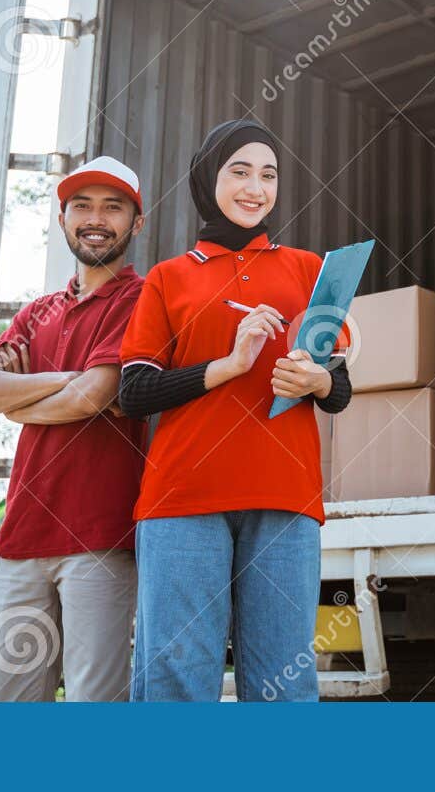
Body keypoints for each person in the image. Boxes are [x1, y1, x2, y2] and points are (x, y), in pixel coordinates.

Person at [117, 117, 352, 702]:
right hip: (183, 498)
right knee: (176, 679)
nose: (256, 188)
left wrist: (318, 378)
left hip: (285, 497)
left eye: (269, 175)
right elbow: (134, 392)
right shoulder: (168, 279)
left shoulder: (308, 269)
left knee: (285, 685)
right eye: (240, 171)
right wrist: (227, 364)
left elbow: (340, 390)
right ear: (208, 179)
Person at [0, 155, 148, 702]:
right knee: (13, 705)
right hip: (20, 540)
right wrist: (72, 384)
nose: (96, 218)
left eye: (113, 208)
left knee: (95, 706)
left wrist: (26, 400)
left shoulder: (142, 300)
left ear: (136, 223)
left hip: (99, 538)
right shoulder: (36, 313)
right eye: (82, 207)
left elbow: (98, 394)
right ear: (63, 218)